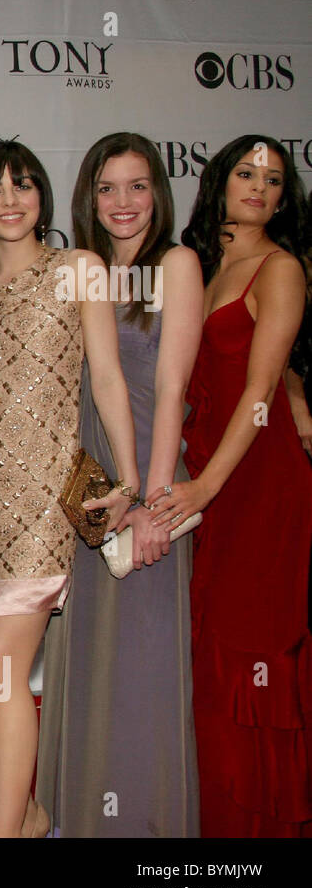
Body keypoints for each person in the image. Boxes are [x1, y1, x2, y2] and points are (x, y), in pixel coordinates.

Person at [0, 141, 140, 838]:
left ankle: (2, 835)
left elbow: (107, 380)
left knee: (3, 667)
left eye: (24, 184)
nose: (10, 199)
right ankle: (31, 817)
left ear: (43, 197)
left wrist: (129, 479)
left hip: (41, 499)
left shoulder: (78, 270)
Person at [37, 132, 204, 838]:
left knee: (142, 676)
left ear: (159, 194)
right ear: (88, 197)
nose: (123, 202)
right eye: (107, 188)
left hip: (146, 489)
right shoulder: (82, 269)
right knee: (85, 671)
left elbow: (171, 389)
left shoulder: (178, 262)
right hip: (88, 496)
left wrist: (153, 503)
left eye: (138, 186)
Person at [156, 134, 312, 837]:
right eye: (246, 173)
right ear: (220, 182)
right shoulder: (207, 264)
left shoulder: (279, 267)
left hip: (256, 485)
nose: (258, 187)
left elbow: (261, 389)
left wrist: (208, 487)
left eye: (274, 179)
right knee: (211, 660)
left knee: (249, 653)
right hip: (209, 482)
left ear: (285, 197)